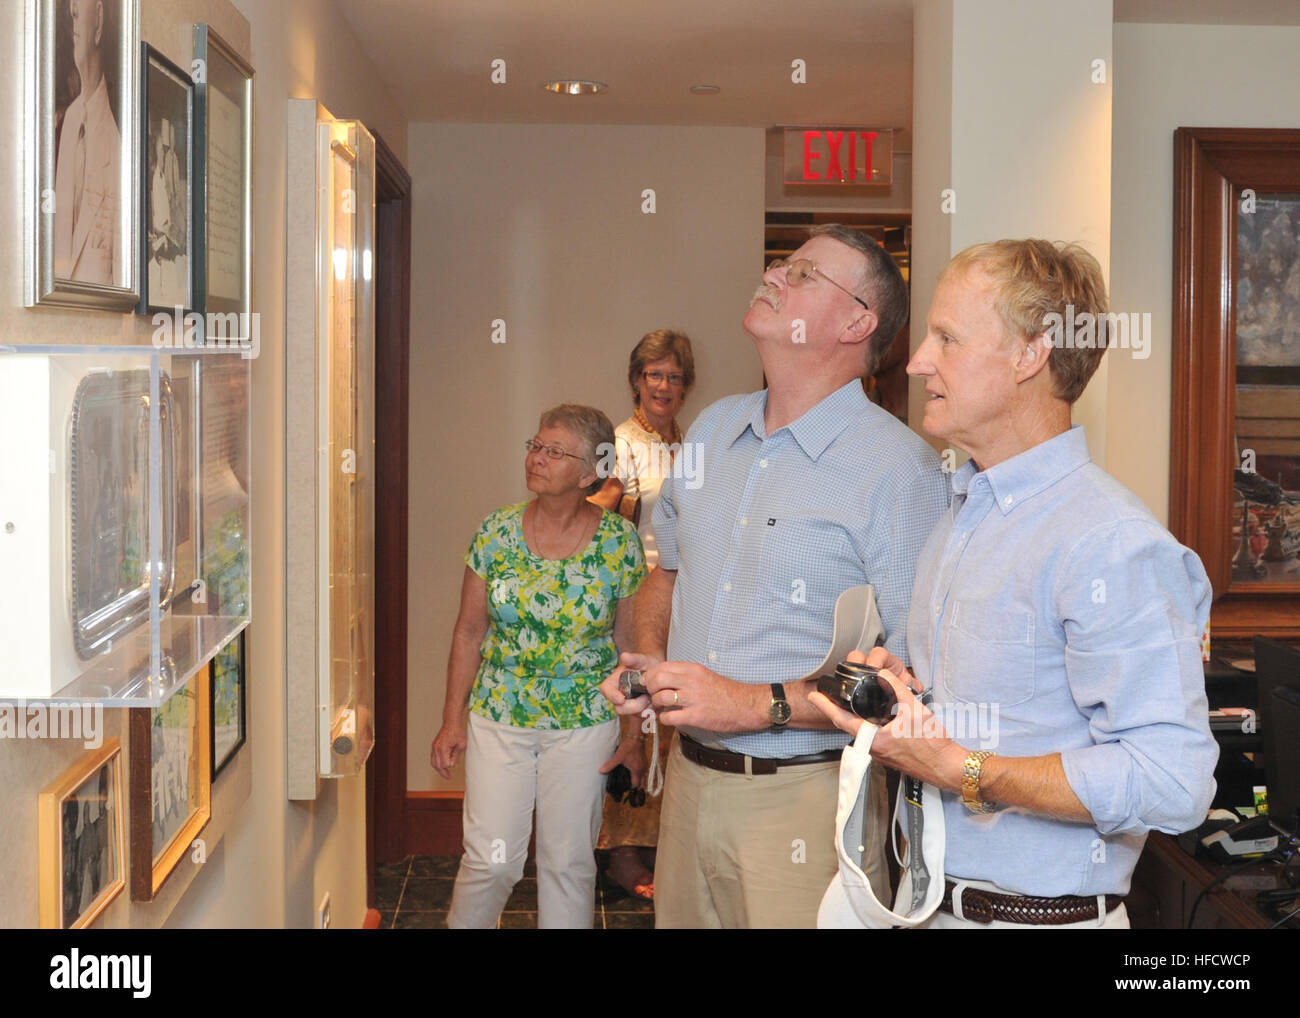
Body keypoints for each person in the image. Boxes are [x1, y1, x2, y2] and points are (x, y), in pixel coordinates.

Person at [812, 239, 1218, 928]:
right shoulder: (962, 514)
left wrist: (965, 770)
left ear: (1032, 354)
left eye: (947, 337)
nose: (916, 361)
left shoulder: (1110, 541)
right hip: (931, 906)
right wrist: (905, 692)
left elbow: (1172, 780)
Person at [602, 225, 949, 928]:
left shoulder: (900, 470)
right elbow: (664, 573)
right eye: (783, 263)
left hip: (805, 802)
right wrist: (649, 661)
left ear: (858, 321)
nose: (776, 273)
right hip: (688, 784)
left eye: (805, 273)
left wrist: (752, 704)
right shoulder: (708, 429)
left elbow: (911, 675)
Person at [432, 405, 647, 928]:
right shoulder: (496, 532)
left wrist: (635, 733)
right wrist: (452, 719)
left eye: (555, 452)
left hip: (584, 723)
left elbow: (631, 648)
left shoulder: (618, 544)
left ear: (590, 471)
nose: (537, 458)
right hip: (498, 715)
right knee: (491, 860)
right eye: (535, 445)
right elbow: (467, 631)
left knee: (569, 863)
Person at [590, 328, 696, 900]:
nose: (664, 385)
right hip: (636, 596)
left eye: (674, 376)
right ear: (636, 380)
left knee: (674, 721)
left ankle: (663, 842)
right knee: (637, 721)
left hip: (689, 596)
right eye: (654, 374)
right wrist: (625, 499)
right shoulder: (620, 443)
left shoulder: (693, 445)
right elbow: (593, 510)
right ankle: (622, 850)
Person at [54, 0, 121, 285]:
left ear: (100, 19)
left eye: (78, 1)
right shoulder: (68, 122)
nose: (71, 10)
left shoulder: (120, 138)